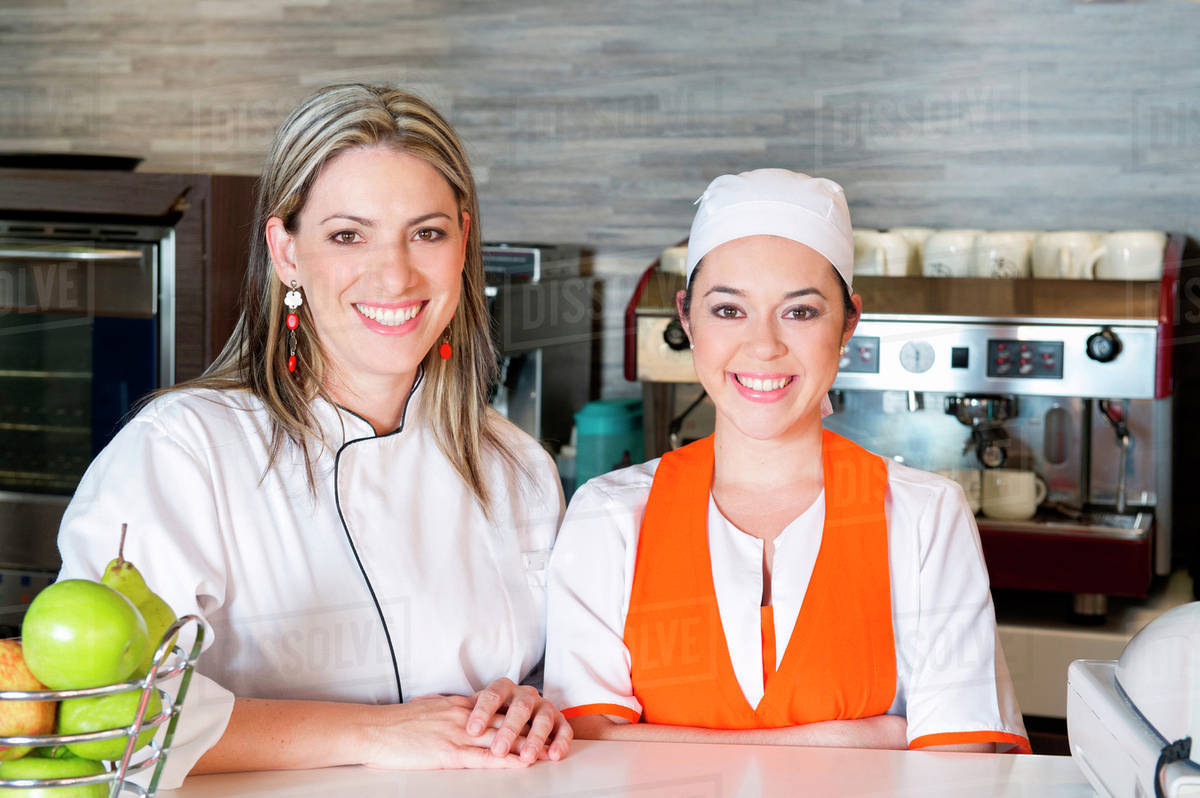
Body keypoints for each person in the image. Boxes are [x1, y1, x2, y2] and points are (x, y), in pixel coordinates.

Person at [56, 83, 571, 786]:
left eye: (427, 233)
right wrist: (376, 734)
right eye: (347, 235)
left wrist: (530, 708)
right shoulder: (183, 451)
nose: (395, 275)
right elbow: (102, 713)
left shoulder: (517, 467)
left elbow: (554, 681)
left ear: (463, 242)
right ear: (286, 251)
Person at [543, 169, 1029, 753]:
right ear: (687, 319)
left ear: (849, 322)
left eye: (800, 312)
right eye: (729, 310)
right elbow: (588, 749)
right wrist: (869, 738)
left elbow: (958, 765)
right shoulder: (610, 517)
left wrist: (658, 743)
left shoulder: (925, 516)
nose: (764, 346)